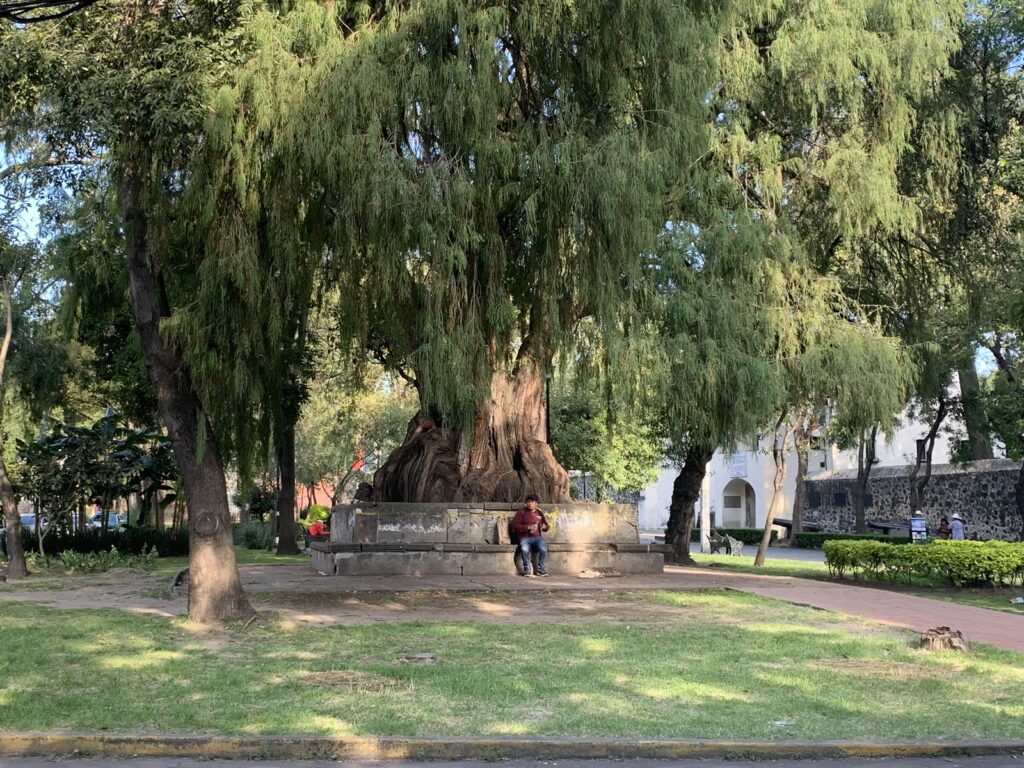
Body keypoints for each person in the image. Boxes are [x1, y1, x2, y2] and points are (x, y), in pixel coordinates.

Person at [512, 494, 549, 577]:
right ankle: (527, 570)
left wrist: (544, 526)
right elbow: (515, 525)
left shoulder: (539, 513)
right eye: (528, 502)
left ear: (536, 503)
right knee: (524, 549)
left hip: (537, 538)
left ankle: (540, 569)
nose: (529, 503)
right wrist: (528, 527)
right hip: (525, 537)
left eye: (532, 502)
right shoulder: (521, 512)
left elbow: (546, 526)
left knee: (543, 549)